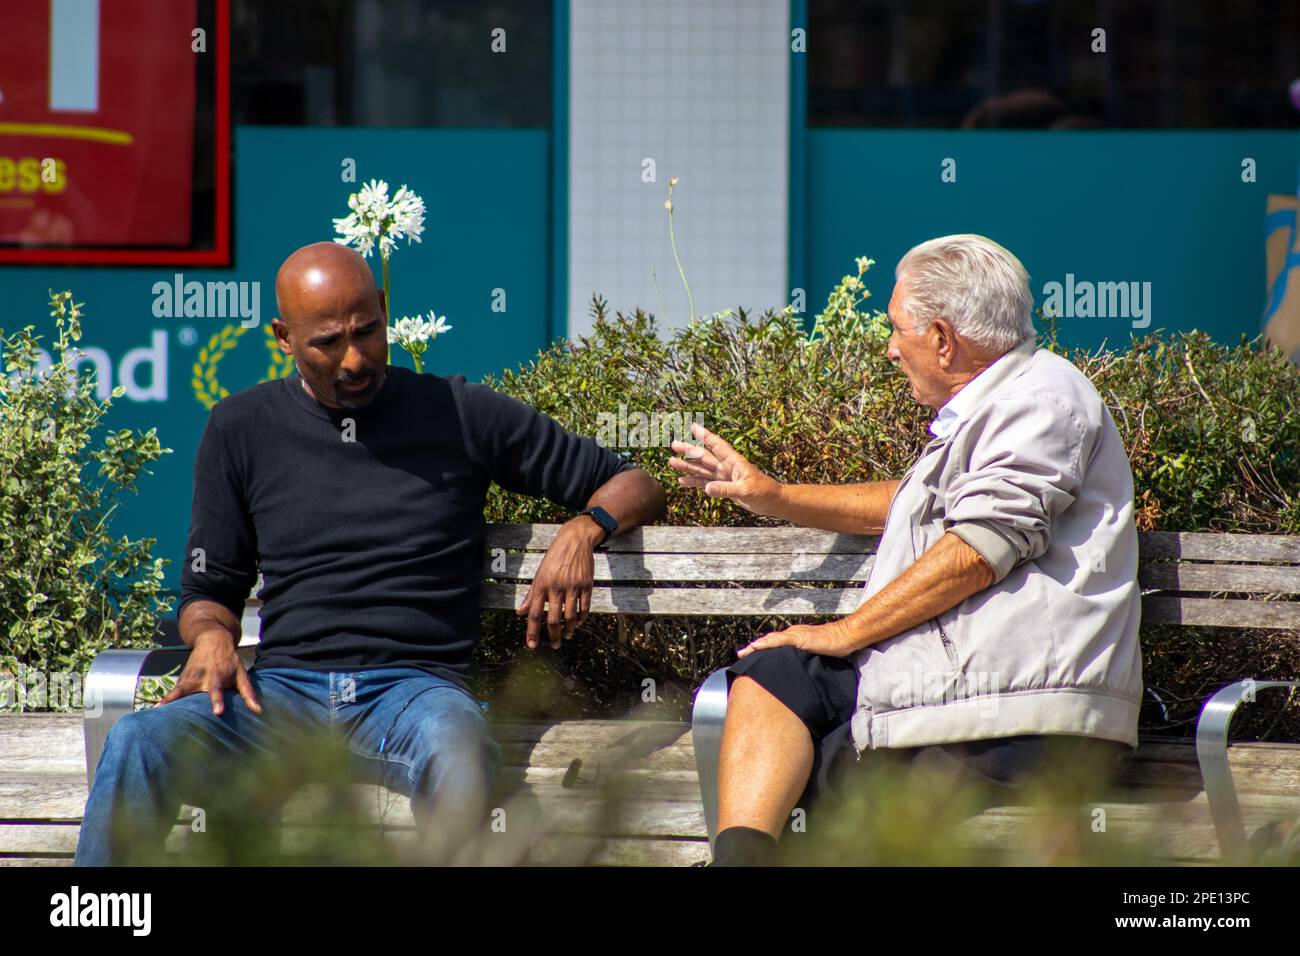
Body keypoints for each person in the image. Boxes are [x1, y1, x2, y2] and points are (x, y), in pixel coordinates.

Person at [75, 241, 666, 865]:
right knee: (138, 739)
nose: (354, 359)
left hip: (414, 692)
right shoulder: (241, 428)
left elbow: (637, 483)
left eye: (367, 331)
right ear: (283, 336)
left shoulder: (458, 413)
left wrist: (584, 527)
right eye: (328, 342)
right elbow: (208, 592)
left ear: (384, 310)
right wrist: (210, 638)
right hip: (279, 696)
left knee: (456, 747)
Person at [669, 234, 1143, 866]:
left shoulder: (1044, 399)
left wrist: (846, 631)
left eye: (898, 329)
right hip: (956, 686)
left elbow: (980, 546)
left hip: (1019, 715)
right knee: (774, 676)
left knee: (825, 788)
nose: (891, 348)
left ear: (943, 339)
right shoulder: (993, 404)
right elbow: (912, 503)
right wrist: (771, 494)